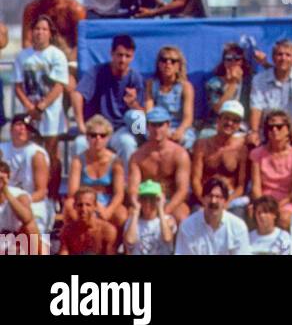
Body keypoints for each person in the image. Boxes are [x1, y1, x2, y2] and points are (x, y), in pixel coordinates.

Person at [71, 32, 145, 170]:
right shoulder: (97, 72)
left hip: (122, 129)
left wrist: (133, 104)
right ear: (112, 53)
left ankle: (127, 186)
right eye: (119, 55)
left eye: (127, 56)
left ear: (132, 57)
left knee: (127, 143)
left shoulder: (135, 78)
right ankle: (80, 187)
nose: (122, 60)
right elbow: (77, 94)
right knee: (79, 144)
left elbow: (142, 116)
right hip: (98, 127)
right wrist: (81, 124)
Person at [12, 13, 69, 196]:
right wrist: (30, 107)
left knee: (52, 155)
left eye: (44, 29)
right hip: (30, 112)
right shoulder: (23, 56)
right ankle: (34, 192)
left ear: (50, 33)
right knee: (32, 152)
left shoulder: (57, 55)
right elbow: (18, 86)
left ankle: (52, 194)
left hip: (51, 113)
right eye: (37, 29)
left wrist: (41, 107)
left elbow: (59, 86)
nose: (40, 33)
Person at [128, 108, 192, 223]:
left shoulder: (179, 154)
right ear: (147, 126)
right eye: (153, 125)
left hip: (171, 200)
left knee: (182, 218)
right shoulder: (138, 156)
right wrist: (140, 207)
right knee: (129, 216)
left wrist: (165, 211)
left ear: (168, 125)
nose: (157, 130)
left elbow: (182, 190)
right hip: (146, 201)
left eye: (160, 125)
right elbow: (133, 188)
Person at [65, 114, 127, 231]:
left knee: (121, 214)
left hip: (107, 199)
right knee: (69, 206)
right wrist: (93, 206)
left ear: (108, 138)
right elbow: (73, 192)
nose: (98, 139)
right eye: (93, 135)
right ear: (87, 137)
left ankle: (112, 245)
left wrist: (108, 211)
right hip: (84, 200)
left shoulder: (115, 162)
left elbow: (119, 193)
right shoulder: (78, 161)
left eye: (102, 135)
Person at [249, 109, 292, 230]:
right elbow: (256, 187)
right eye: (270, 127)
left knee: (285, 219)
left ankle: (290, 247)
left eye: (279, 127)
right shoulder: (256, 154)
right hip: (263, 200)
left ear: (288, 130)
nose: (274, 130)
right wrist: (263, 205)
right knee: (252, 214)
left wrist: (275, 208)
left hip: (286, 202)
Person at [249, 37, 292, 147]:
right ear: (273, 57)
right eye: (279, 54)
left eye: (288, 55)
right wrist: (254, 132)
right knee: (252, 143)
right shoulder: (259, 79)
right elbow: (256, 108)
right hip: (268, 130)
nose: (283, 58)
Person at [21, 0, 85, 65]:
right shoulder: (32, 9)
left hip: (69, 60)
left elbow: (81, 44)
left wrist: (66, 64)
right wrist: (35, 62)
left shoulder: (75, 9)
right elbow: (27, 41)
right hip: (40, 60)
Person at [192, 100, 249, 206]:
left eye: (235, 121)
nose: (229, 123)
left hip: (230, 197)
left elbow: (241, 186)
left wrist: (226, 203)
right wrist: (205, 200)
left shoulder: (241, 149)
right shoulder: (202, 145)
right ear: (218, 120)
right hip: (206, 195)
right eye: (226, 118)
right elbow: (195, 180)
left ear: (238, 126)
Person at [5, 116, 53, 243]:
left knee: (29, 229)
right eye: (19, 125)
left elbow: (41, 192)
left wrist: (23, 201)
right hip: (5, 200)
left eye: (27, 127)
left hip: (32, 202)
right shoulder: (1, 150)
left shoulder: (36, 154)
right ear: (11, 129)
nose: (22, 129)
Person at [175, 177, 251, 255]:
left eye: (218, 197)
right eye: (209, 196)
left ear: (225, 201)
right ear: (203, 199)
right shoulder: (188, 226)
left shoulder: (238, 227)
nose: (213, 201)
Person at [144, 45, 196, 150]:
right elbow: (148, 112)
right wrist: (161, 131)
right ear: (158, 64)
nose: (168, 64)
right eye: (164, 60)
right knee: (136, 124)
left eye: (173, 61)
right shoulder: (151, 84)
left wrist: (179, 131)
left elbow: (188, 118)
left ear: (179, 66)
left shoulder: (186, 87)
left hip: (178, 127)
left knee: (186, 139)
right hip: (156, 126)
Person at [206, 41, 254, 127]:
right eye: (228, 59)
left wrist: (265, 63)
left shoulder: (250, 82)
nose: (233, 62)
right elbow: (218, 109)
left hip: (242, 125)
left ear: (242, 61)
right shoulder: (214, 83)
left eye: (237, 59)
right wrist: (233, 83)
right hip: (218, 125)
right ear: (224, 62)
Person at [124, 180, 176, 256]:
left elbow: (167, 238)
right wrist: (137, 210)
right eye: (144, 199)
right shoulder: (132, 221)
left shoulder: (168, 220)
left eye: (152, 199)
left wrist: (160, 208)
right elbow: (130, 241)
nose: (148, 203)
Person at [59, 188, 118, 256]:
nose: (83, 209)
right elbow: (63, 252)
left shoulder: (107, 230)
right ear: (74, 206)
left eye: (88, 205)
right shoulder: (67, 230)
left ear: (95, 206)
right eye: (80, 205)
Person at [0, 157, 41, 252]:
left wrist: (5, 191)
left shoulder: (19, 194)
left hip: (16, 237)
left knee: (30, 226)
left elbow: (27, 218)